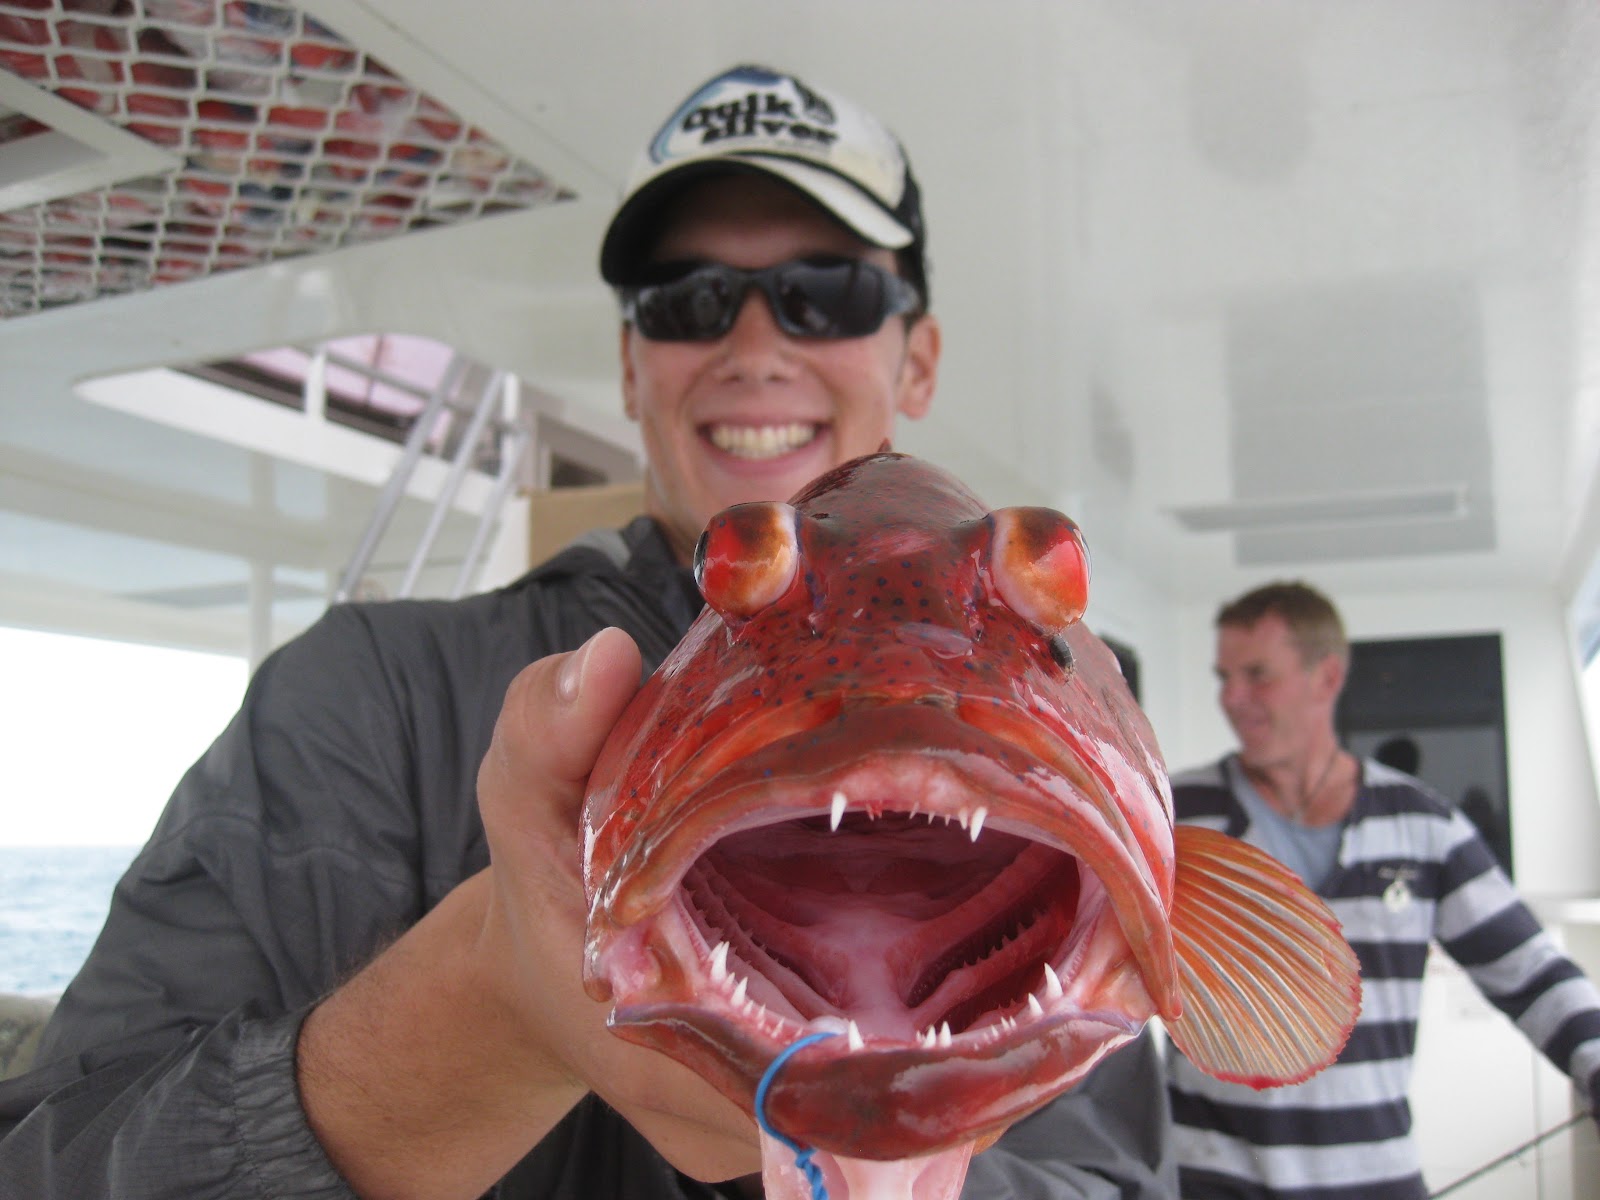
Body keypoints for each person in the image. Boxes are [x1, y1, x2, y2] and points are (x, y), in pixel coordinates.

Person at [0, 65, 1176, 1199]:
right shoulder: (362, 697)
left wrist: (869, 1153)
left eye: (828, 293)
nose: (753, 345)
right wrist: (488, 1008)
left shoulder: (1076, 726)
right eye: (686, 300)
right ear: (628, 365)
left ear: (917, 358)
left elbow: (1114, 1174)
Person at [1165, 580, 1600, 1200]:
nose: (1231, 698)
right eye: (1223, 677)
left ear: (1327, 677)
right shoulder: (1169, 812)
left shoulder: (1425, 823)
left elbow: (1531, 971)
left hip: (1374, 1179)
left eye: (1257, 674)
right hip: (1209, 1181)